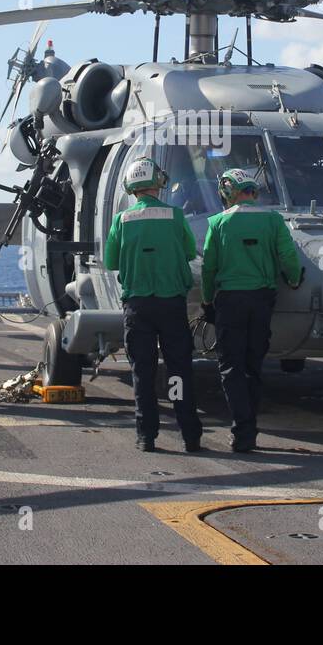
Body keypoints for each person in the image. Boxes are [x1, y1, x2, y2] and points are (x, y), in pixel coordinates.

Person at [103, 157, 203, 452]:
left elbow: (111, 261)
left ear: (130, 187)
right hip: (171, 302)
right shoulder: (174, 216)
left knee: (142, 372)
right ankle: (190, 435)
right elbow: (188, 251)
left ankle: (146, 435)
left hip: (137, 305)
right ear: (158, 182)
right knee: (178, 370)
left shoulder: (121, 220)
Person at [200, 168, 302, 453]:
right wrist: (294, 280)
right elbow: (288, 257)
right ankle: (250, 424)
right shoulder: (273, 220)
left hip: (230, 302)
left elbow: (209, 267)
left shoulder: (218, 222)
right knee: (253, 365)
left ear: (227, 192)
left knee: (231, 367)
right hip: (262, 300)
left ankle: (242, 429)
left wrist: (207, 301)